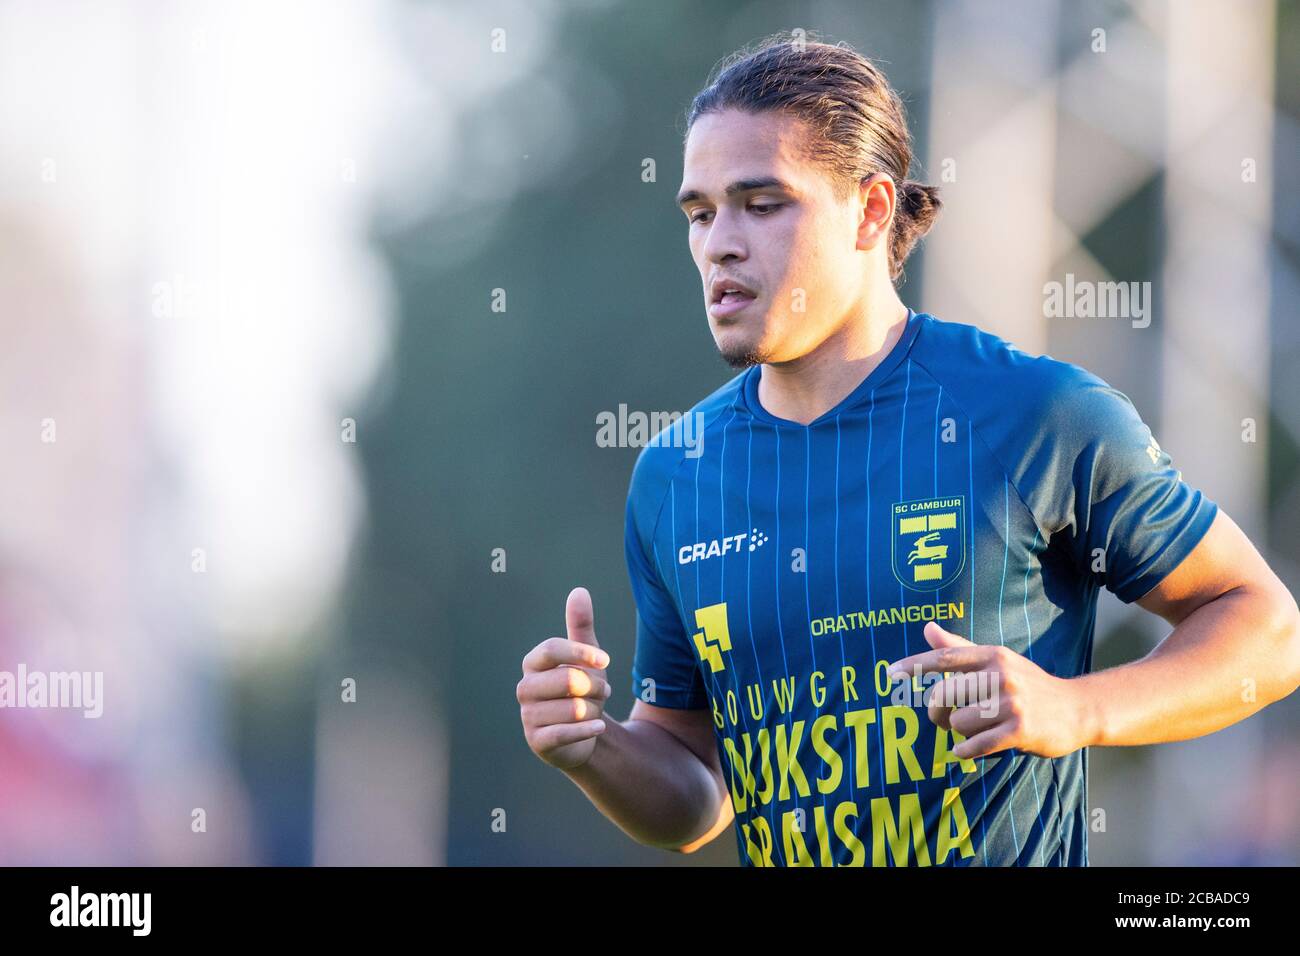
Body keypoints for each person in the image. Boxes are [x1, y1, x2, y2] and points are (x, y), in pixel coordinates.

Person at [516, 34, 1300, 866]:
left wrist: (1076, 708)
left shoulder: (1035, 413)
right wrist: (593, 748)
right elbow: (697, 793)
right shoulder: (677, 475)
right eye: (701, 213)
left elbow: (1268, 630)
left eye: (763, 203)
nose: (719, 245)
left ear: (873, 209)